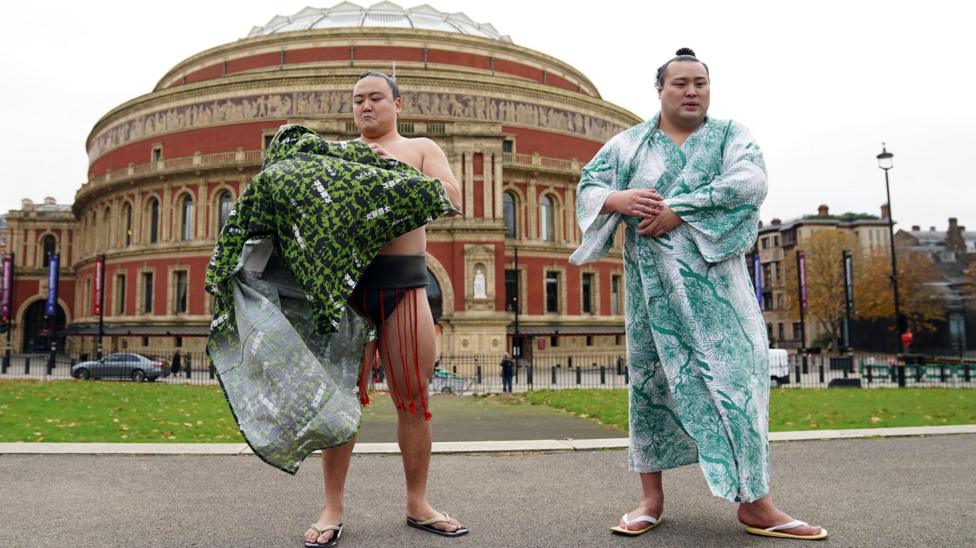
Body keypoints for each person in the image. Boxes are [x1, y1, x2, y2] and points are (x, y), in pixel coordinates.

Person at [571, 49, 826, 541]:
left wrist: (681, 210)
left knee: (739, 384)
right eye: (681, 83)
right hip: (654, 296)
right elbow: (589, 184)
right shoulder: (628, 146)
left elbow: (750, 182)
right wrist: (616, 199)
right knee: (651, 388)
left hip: (720, 295)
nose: (692, 91)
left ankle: (756, 503)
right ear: (660, 89)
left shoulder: (733, 136)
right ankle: (650, 499)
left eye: (700, 83)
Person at [304, 72, 468, 547]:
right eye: (357, 101)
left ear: (399, 103)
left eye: (376, 98)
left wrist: (391, 173)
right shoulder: (336, 153)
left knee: (414, 399)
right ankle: (332, 507)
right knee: (341, 403)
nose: (366, 107)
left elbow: (453, 199)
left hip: (404, 283)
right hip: (348, 287)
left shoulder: (420, 148)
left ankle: (418, 503)